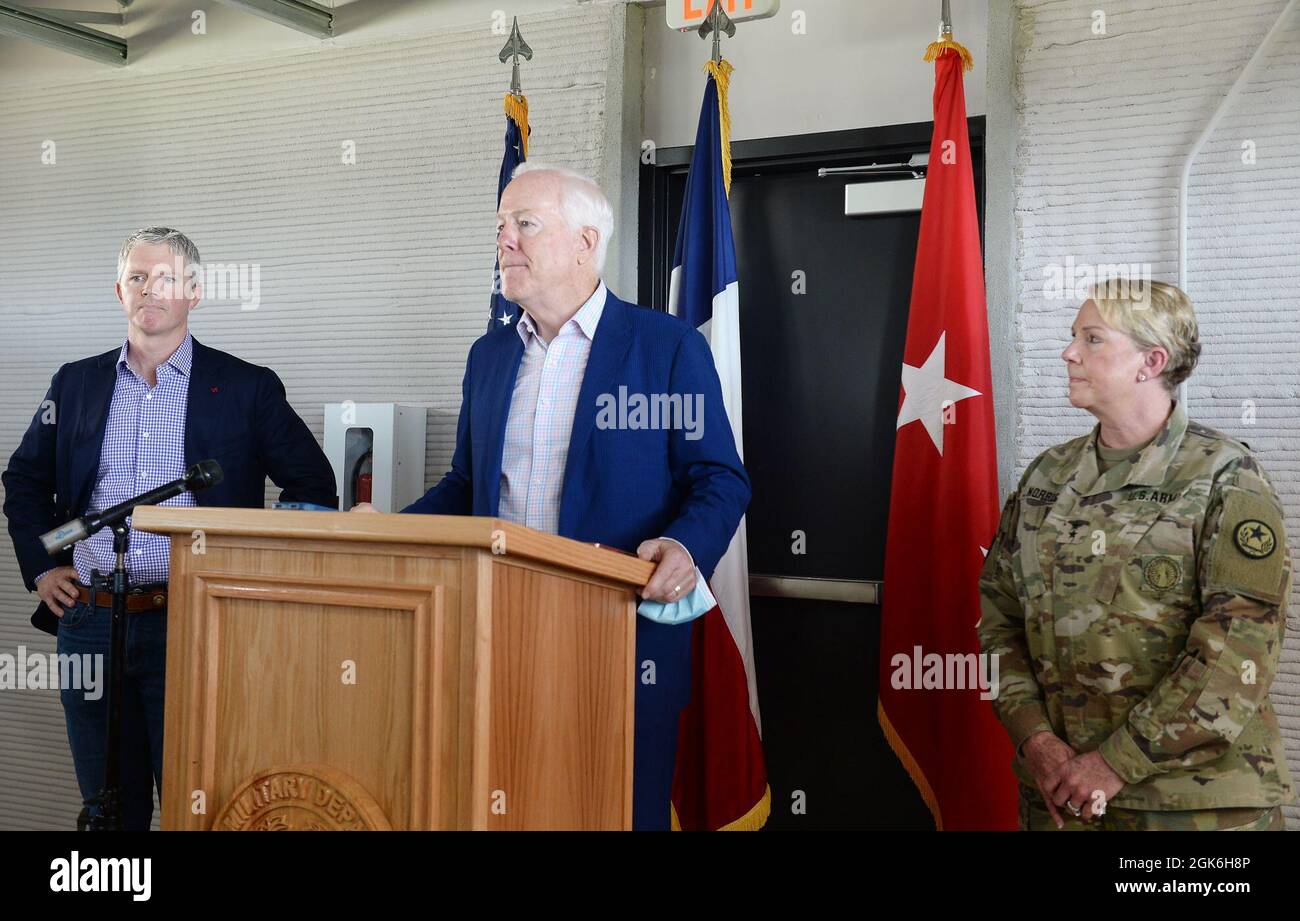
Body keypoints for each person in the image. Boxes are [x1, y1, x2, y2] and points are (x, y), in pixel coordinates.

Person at [354, 163, 750, 830]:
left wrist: (685, 544)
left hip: (621, 642)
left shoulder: (666, 348)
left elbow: (719, 476)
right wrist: (389, 528)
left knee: (618, 812)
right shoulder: (489, 356)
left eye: (524, 224)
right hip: (494, 634)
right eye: (500, 227)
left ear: (586, 241)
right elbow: (465, 487)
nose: (504, 240)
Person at [3, 227, 336, 830]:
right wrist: (44, 563)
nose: (149, 290)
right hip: (91, 621)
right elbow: (24, 481)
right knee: (107, 811)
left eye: (166, 278)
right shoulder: (74, 385)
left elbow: (313, 489)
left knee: (202, 804)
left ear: (194, 292)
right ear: (118, 289)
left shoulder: (245, 387)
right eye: (137, 277)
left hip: (199, 622)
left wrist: (250, 578)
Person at [977, 278, 1294, 830]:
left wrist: (1113, 763)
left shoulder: (1224, 476)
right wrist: (1035, 738)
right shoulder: (1047, 476)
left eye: (1093, 339)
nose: (1068, 352)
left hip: (1190, 807)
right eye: (1073, 336)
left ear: (1151, 361)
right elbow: (999, 618)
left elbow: (1239, 651)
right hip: (1059, 797)